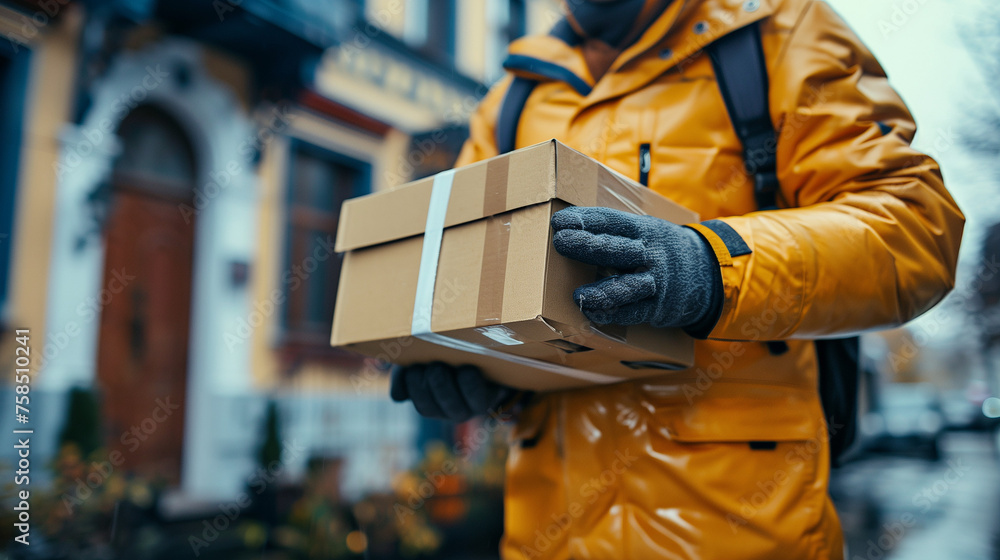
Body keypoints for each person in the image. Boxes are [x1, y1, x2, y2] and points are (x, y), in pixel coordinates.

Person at [390, 0, 965, 558]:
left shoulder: (776, 29)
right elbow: (483, 282)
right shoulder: (512, 96)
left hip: (742, 535)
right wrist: (485, 372)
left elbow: (914, 228)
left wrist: (713, 267)